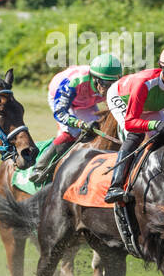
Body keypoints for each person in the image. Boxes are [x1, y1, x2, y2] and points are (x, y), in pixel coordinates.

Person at [102, 43, 164, 204]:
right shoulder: (144, 84)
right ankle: (115, 186)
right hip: (121, 96)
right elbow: (131, 122)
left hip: (149, 105)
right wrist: (153, 125)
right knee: (136, 135)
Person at [29, 54, 123, 184]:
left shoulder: (111, 86)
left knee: (99, 129)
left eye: (113, 84)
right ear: (94, 78)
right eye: (105, 84)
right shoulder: (74, 81)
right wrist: (80, 124)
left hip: (86, 101)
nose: (108, 89)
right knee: (71, 132)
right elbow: (60, 112)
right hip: (61, 98)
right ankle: (40, 168)